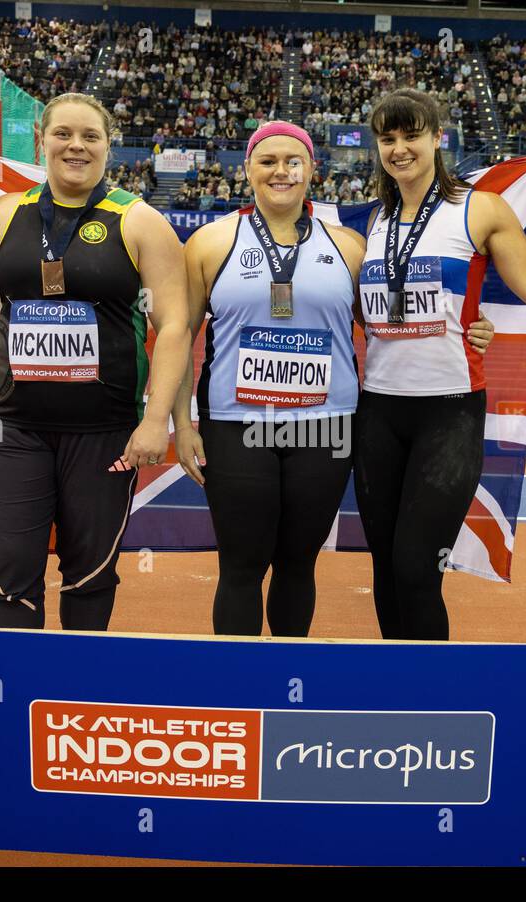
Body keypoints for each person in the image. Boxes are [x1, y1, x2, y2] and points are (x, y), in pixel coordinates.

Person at [173, 121, 497, 636]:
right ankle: (240, 689)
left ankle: (284, 685)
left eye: (293, 162)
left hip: (323, 427)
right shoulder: (210, 243)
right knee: (240, 565)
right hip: (235, 423)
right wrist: (181, 424)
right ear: (248, 170)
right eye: (268, 161)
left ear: (311, 172)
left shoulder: (349, 246)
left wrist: (470, 327)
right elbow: (175, 336)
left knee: (299, 563)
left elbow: (393, 322)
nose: (281, 171)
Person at [0, 92, 191, 631]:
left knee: (90, 576)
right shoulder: (5, 215)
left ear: (109, 148)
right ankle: (21, 696)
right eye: (63, 133)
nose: (76, 145)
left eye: (91, 136)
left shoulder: (139, 222)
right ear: (41, 140)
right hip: (15, 429)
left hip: (105, 434)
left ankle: (75, 699)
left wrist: (156, 420)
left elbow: (176, 325)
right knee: (9, 571)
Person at [356, 88, 526, 641]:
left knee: (416, 567)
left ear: (437, 140)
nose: (400, 149)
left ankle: (434, 701)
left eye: (411, 136)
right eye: (388, 138)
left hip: (448, 413)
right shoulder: (375, 220)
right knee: (383, 567)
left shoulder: (479, 209)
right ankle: (398, 688)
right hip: (377, 411)